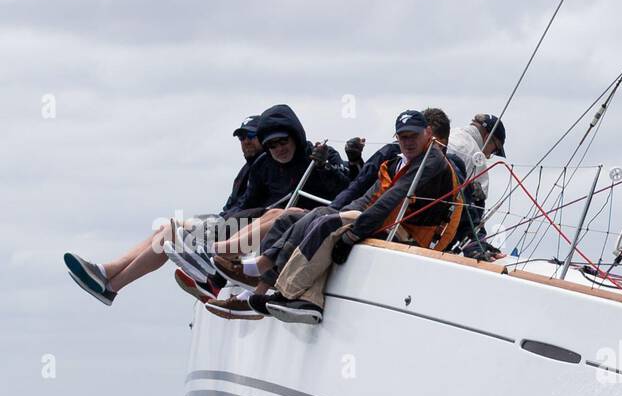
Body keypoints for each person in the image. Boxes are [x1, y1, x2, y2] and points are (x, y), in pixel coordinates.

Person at [214, 109, 460, 324]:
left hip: (404, 233)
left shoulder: (431, 161)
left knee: (327, 223)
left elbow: (390, 200)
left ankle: (285, 291)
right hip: (380, 221)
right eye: (403, 136)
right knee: (309, 215)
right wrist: (338, 211)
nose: (408, 142)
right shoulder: (398, 161)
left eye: (413, 136)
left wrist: (353, 234)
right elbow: (369, 196)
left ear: (428, 133)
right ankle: (286, 286)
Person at [63, 112, 276, 306]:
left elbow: (254, 207)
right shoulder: (247, 169)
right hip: (228, 222)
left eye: (250, 135)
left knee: (170, 231)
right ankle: (107, 277)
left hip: (239, 228)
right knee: (165, 227)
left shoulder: (266, 165)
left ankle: (110, 283)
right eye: (241, 137)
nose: (246, 141)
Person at [446, 113, 507, 260]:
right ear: (487, 137)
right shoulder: (476, 157)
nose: (488, 156)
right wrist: (478, 244)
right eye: (495, 150)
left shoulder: (450, 134)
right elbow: (475, 207)